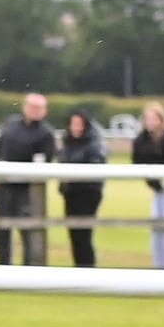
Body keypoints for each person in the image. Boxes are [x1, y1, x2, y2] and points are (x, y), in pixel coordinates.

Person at [0, 92, 56, 265]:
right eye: (32, 106)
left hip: (28, 189)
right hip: (4, 186)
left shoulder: (45, 133)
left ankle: (30, 265)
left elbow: (45, 161)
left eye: (39, 108)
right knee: (2, 228)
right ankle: (3, 264)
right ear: (25, 107)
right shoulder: (10, 125)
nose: (35, 111)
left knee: (28, 229)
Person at [55, 109, 106, 267]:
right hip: (71, 194)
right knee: (74, 235)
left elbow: (95, 167)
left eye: (79, 124)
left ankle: (87, 268)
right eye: (73, 124)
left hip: (87, 194)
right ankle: (80, 268)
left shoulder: (93, 144)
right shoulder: (68, 142)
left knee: (84, 235)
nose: (75, 127)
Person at [134, 102, 164, 268]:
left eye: (154, 118)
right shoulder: (141, 139)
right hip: (157, 188)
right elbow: (137, 160)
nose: (150, 122)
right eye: (148, 119)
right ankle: (160, 263)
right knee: (157, 226)